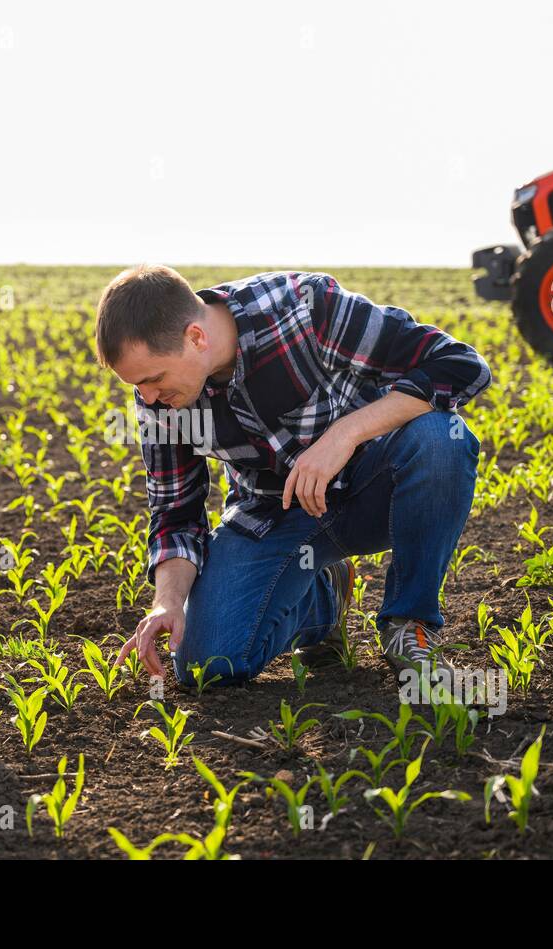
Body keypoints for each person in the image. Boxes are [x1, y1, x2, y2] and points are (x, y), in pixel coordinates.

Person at [95, 265, 490, 689]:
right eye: (138, 386)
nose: (148, 398)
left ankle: (409, 624)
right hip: (273, 515)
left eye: (154, 379)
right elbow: (175, 510)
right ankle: (323, 598)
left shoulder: (304, 309)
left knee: (441, 438)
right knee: (205, 665)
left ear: (196, 337)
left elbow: (460, 365)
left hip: (374, 489)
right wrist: (167, 601)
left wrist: (345, 433)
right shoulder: (159, 400)